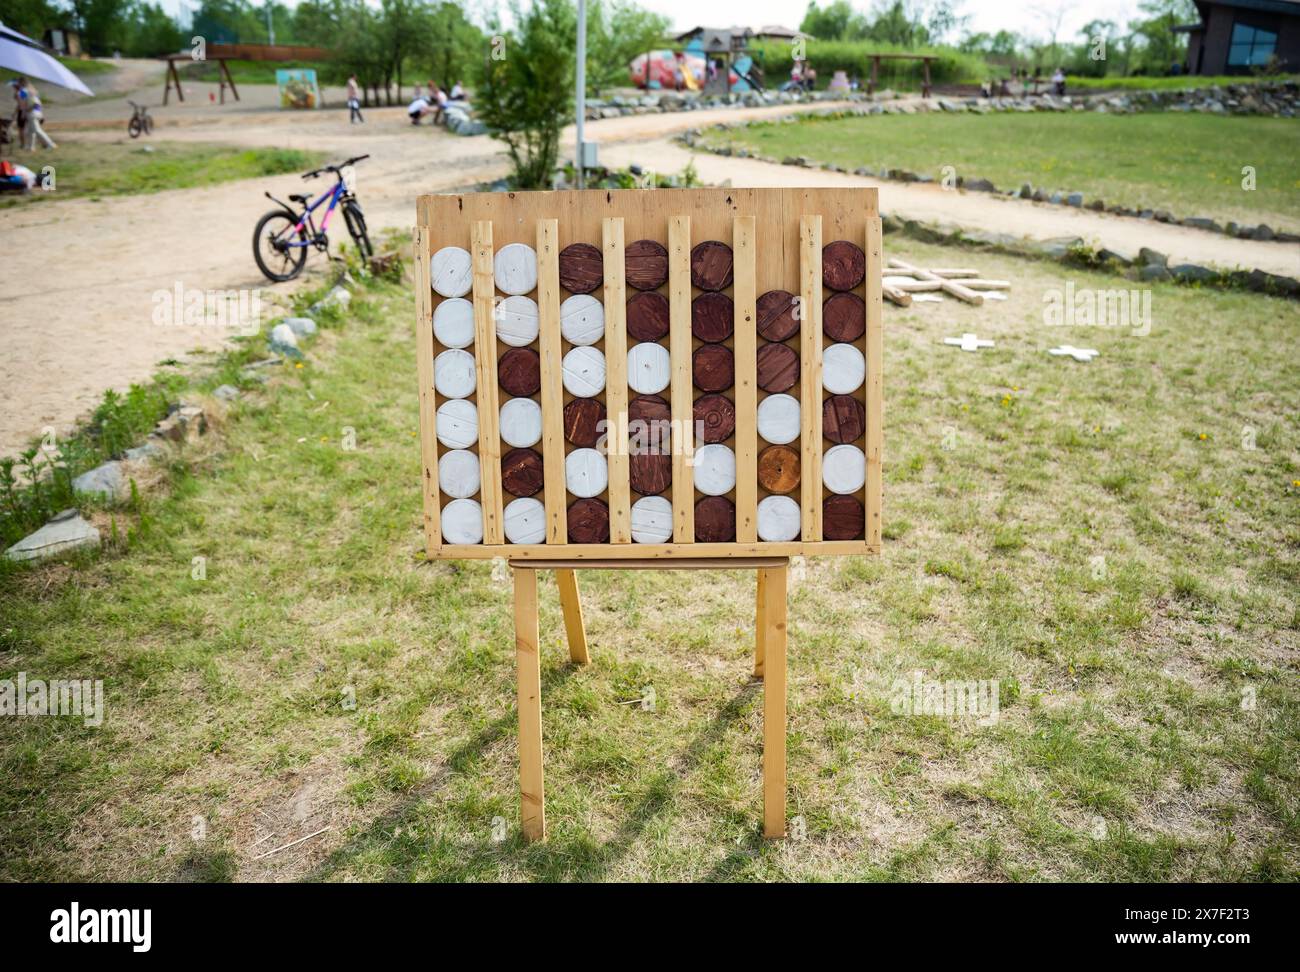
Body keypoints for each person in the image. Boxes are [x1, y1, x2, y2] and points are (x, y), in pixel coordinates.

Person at [15, 78, 55, 151]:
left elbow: (23, 104)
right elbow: (38, 102)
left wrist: (22, 114)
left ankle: (50, 144)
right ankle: (31, 147)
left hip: (31, 112)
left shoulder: (22, 91)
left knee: (37, 130)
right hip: (38, 111)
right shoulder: (33, 90)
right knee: (31, 131)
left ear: (21, 83)